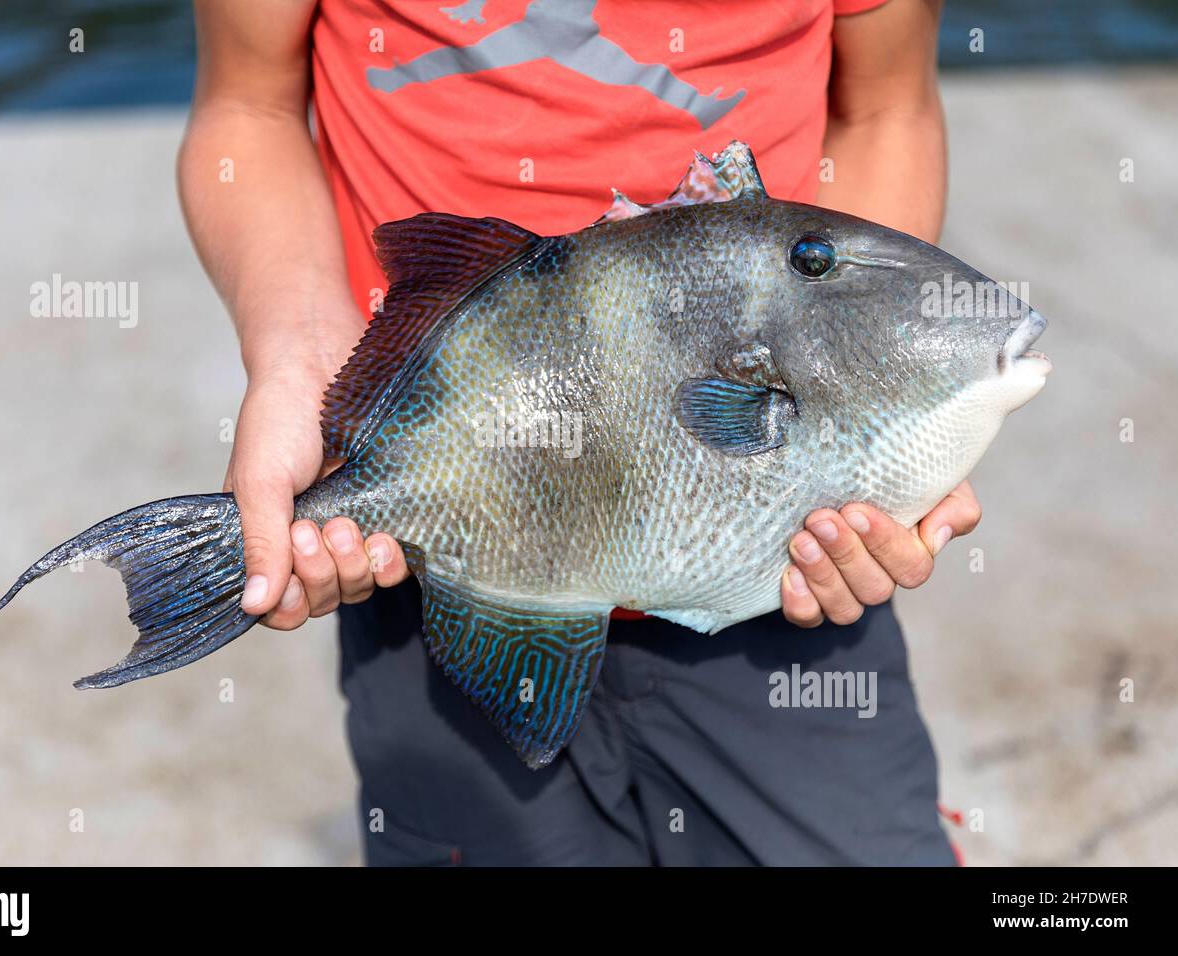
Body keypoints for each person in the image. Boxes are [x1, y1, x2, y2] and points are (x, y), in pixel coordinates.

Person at [179, 0, 977, 864]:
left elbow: (887, 107)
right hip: (445, 575)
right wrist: (301, 359)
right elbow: (247, 104)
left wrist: (865, 404)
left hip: (785, 582)